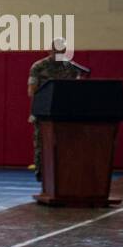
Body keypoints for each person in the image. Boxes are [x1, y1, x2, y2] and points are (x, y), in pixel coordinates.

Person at [27, 40, 84, 178]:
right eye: (56, 51)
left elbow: (77, 89)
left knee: (65, 144)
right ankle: (41, 173)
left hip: (64, 112)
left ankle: (65, 173)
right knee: (41, 144)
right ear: (49, 51)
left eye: (62, 51)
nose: (59, 53)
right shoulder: (39, 66)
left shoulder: (71, 67)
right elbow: (31, 91)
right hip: (44, 112)